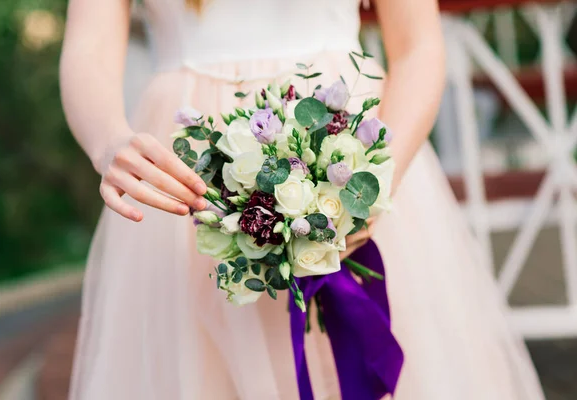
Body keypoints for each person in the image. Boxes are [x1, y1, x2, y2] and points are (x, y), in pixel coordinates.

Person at [60, 0, 545, 398]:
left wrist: (371, 184)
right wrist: (108, 140)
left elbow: (418, 45)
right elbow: (89, 46)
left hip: (346, 146)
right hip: (188, 172)